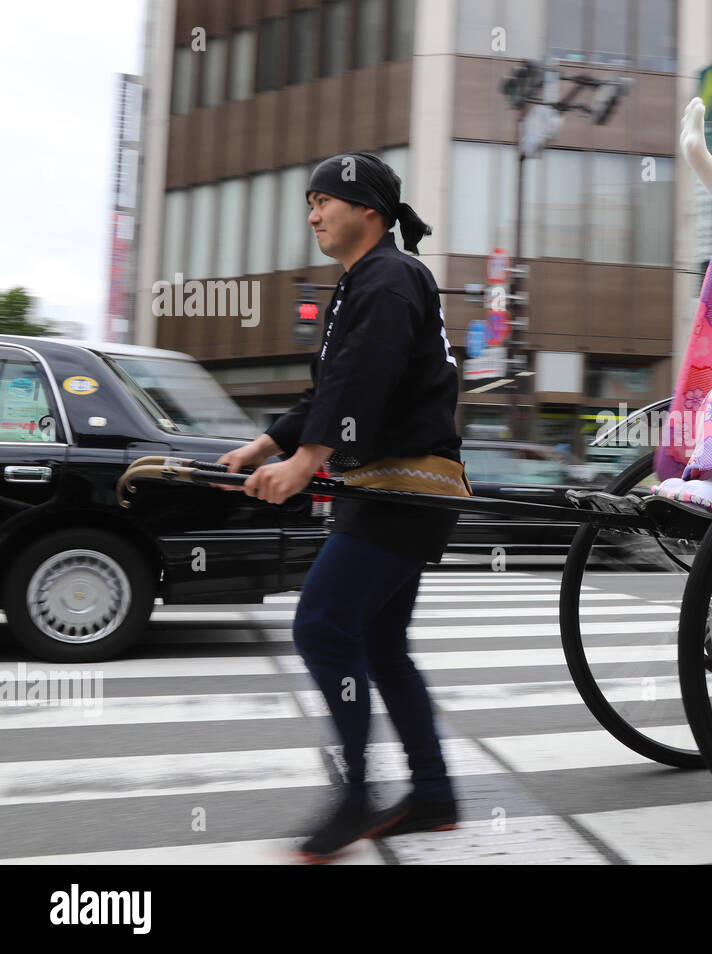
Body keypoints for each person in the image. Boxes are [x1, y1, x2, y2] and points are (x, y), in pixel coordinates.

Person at [217, 152, 469, 863]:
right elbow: (331, 387)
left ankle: (356, 794)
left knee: (324, 627)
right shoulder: (367, 282)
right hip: (394, 485)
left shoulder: (389, 278)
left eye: (321, 199)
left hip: (404, 486)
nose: (312, 214)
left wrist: (305, 461)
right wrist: (264, 444)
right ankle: (433, 794)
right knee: (382, 646)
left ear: (367, 210)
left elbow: (368, 377)